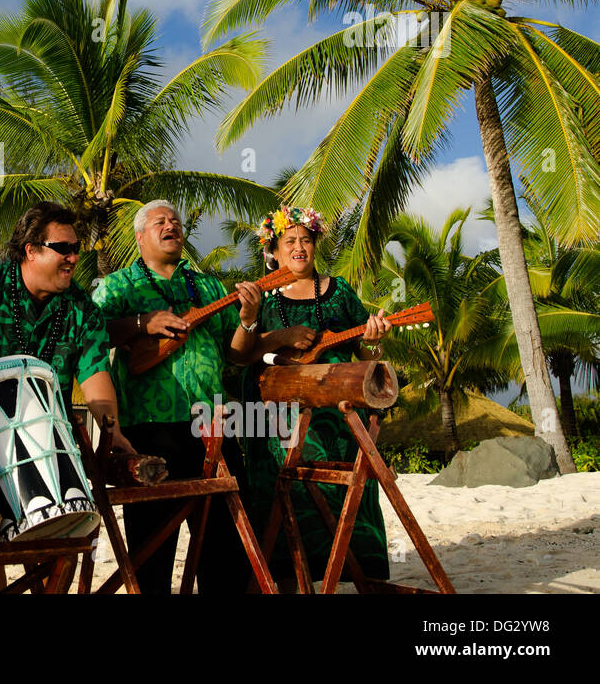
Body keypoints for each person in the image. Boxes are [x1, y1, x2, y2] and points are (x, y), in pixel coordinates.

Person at [0, 201, 131, 593]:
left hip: (51, 445)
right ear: (31, 250)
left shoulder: (81, 310)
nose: (74, 257)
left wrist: (114, 433)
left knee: (64, 535)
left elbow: (95, 378)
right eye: (63, 248)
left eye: (77, 248)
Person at [91, 199, 263, 594]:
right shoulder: (119, 285)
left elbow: (235, 353)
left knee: (224, 546)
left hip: (213, 428)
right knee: (153, 551)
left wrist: (249, 321)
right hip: (149, 433)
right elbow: (91, 333)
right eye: (160, 222)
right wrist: (141, 322)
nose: (171, 226)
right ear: (139, 238)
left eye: (176, 221)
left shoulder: (207, 285)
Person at [240, 206, 392, 588]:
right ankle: (287, 578)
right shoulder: (263, 299)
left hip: (341, 419)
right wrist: (281, 339)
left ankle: (356, 574)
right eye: (289, 241)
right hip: (279, 424)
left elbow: (366, 357)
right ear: (273, 251)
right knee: (287, 494)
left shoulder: (340, 291)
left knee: (348, 491)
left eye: (306, 240)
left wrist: (374, 342)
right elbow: (240, 354)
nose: (299, 247)